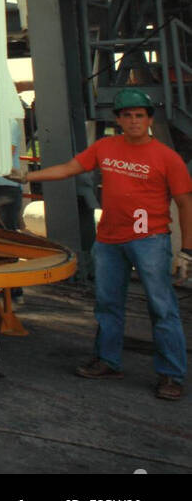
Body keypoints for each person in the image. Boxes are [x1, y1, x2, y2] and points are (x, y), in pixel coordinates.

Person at [29, 88, 192, 401]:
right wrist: (27, 177)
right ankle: (108, 361)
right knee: (107, 305)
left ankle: (172, 375)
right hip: (108, 241)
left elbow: (186, 203)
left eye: (139, 116)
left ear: (148, 120)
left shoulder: (167, 158)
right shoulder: (105, 147)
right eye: (127, 115)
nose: (133, 121)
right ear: (118, 120)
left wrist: (186, 249)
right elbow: (67, 169)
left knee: (162, 309)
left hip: (150, 241)